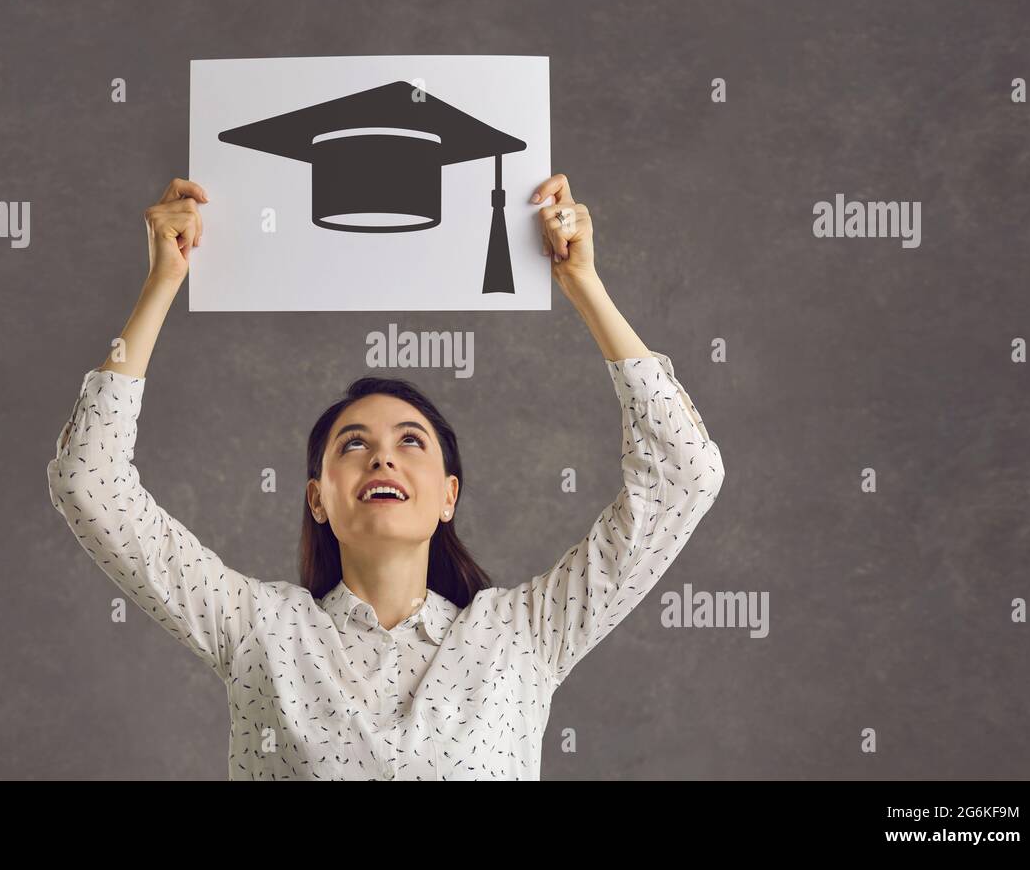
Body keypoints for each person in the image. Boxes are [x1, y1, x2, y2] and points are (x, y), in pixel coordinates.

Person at [45, 174, 725, 780]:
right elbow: (88, 481)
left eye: (410, 441)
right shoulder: (261, 631)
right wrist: (163, 281)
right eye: (353, 444)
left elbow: (683, 476)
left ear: (448, 495)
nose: (382, 457)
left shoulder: (523, 635)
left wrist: (585, 287)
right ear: (319, 498)